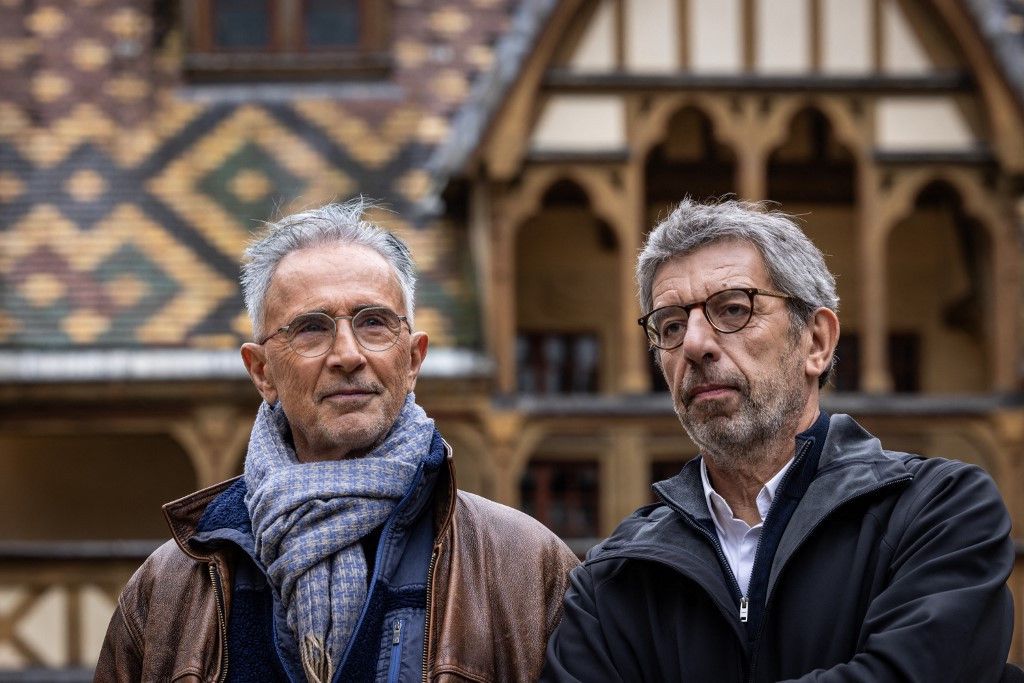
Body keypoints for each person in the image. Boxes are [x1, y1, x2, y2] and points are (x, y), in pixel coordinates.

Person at [97, 200, 579, 682]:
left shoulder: (526, 569)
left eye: (373, 322)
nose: (348, 355)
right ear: (262, 371)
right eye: (311, 328)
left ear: (413, 360)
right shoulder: (166, 592)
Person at [543, 198, 1015, 682]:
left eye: (732, 309)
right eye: (672, 325)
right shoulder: (612, 579)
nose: (694, 344)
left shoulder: (939, 513)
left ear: (816, 342)